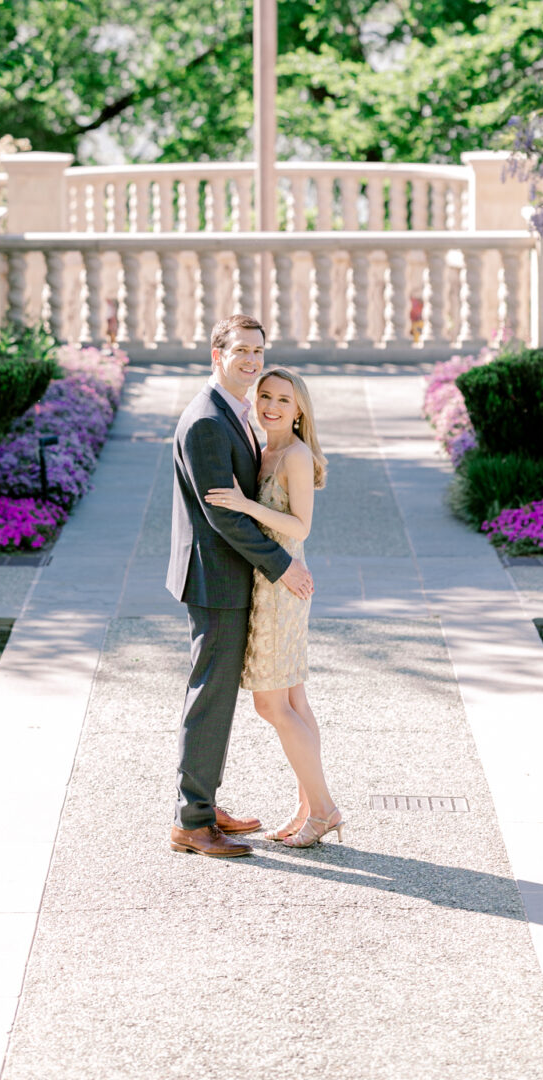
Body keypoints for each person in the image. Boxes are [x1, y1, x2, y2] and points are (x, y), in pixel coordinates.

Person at [167, 314, 315, 858]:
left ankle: (204, 805)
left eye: (258, 351)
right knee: (210, 697)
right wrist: (282, 566)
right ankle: (192, 821)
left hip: (229, 576)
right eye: (241, 351)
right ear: (217, 354)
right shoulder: (207, 421)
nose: (251, 361)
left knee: (219, 696)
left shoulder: (233, 410)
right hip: (216, 580)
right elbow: (222, 515)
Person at [205, 366, 343, 848]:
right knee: (294, 702)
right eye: (265, 396)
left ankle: (324, 809)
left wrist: (245, 505)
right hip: (268, 585)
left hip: (282, 588)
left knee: (271, 703)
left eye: (284, 399)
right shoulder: (265, 451)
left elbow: (301, 527)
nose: (272, 406)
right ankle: (308, 809)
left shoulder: (296, 455)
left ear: (299, 409)